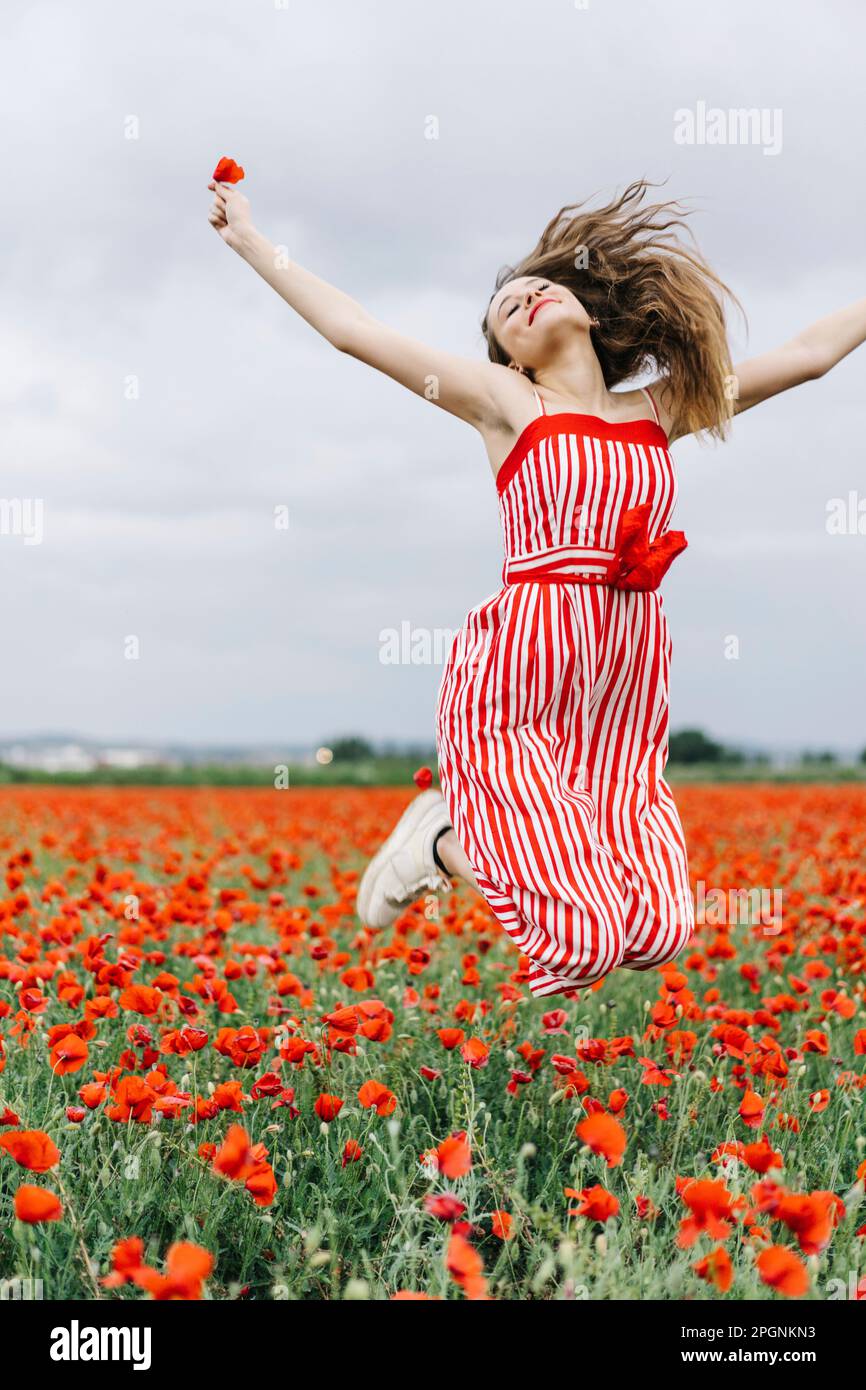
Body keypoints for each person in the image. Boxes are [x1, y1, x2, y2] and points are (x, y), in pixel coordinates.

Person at [209, 176, 866, 998]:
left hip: (622, 678)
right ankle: (442, 838)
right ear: (507, 354)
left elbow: (809, 358)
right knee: (580, 942)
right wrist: (251, 241)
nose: (522, 298)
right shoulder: (506, 402)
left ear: (590, 314)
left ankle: (453, 839)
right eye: (503, 310)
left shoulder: (659, 411)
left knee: (658, 930)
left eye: (540, 286)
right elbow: (354, 332)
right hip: (524, 662)